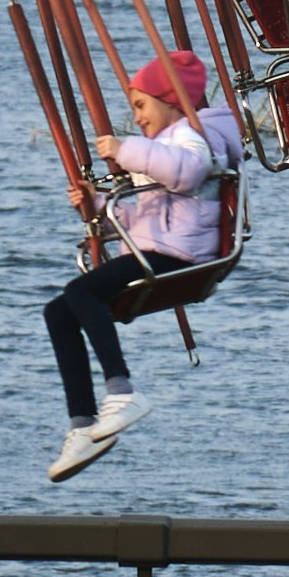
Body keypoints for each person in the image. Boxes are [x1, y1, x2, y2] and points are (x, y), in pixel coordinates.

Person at [44, 50, 240, 483]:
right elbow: (153, 214)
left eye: (141, 105)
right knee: (58, 311)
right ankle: (82, 425)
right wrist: (96, 205)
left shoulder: (194, 134)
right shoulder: (169, 143)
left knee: (81, 293)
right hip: (160, 247)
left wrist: (126, 149)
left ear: (170, 100)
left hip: (180, 257)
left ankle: (121, 389)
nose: (137, 118)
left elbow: (188, 173)